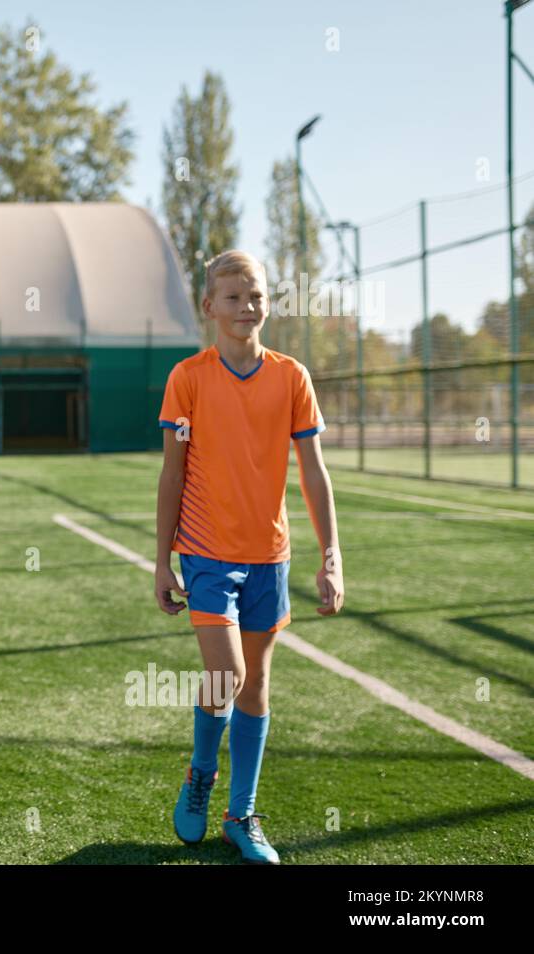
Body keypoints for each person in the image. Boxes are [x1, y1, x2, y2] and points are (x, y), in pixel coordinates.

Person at [154, 250, 344, 864]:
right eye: (233, 297)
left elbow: (314, 474)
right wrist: (162, 561)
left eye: (257, 295)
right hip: (207, 555)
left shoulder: (293, 378)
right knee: (225, 676)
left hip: (270, 557)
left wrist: (331, 554)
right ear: (210, 307)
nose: (248, 306)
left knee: (256, 685)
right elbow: (172, 474)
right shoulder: (187, 378)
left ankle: (241, 814)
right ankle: (201, 774)